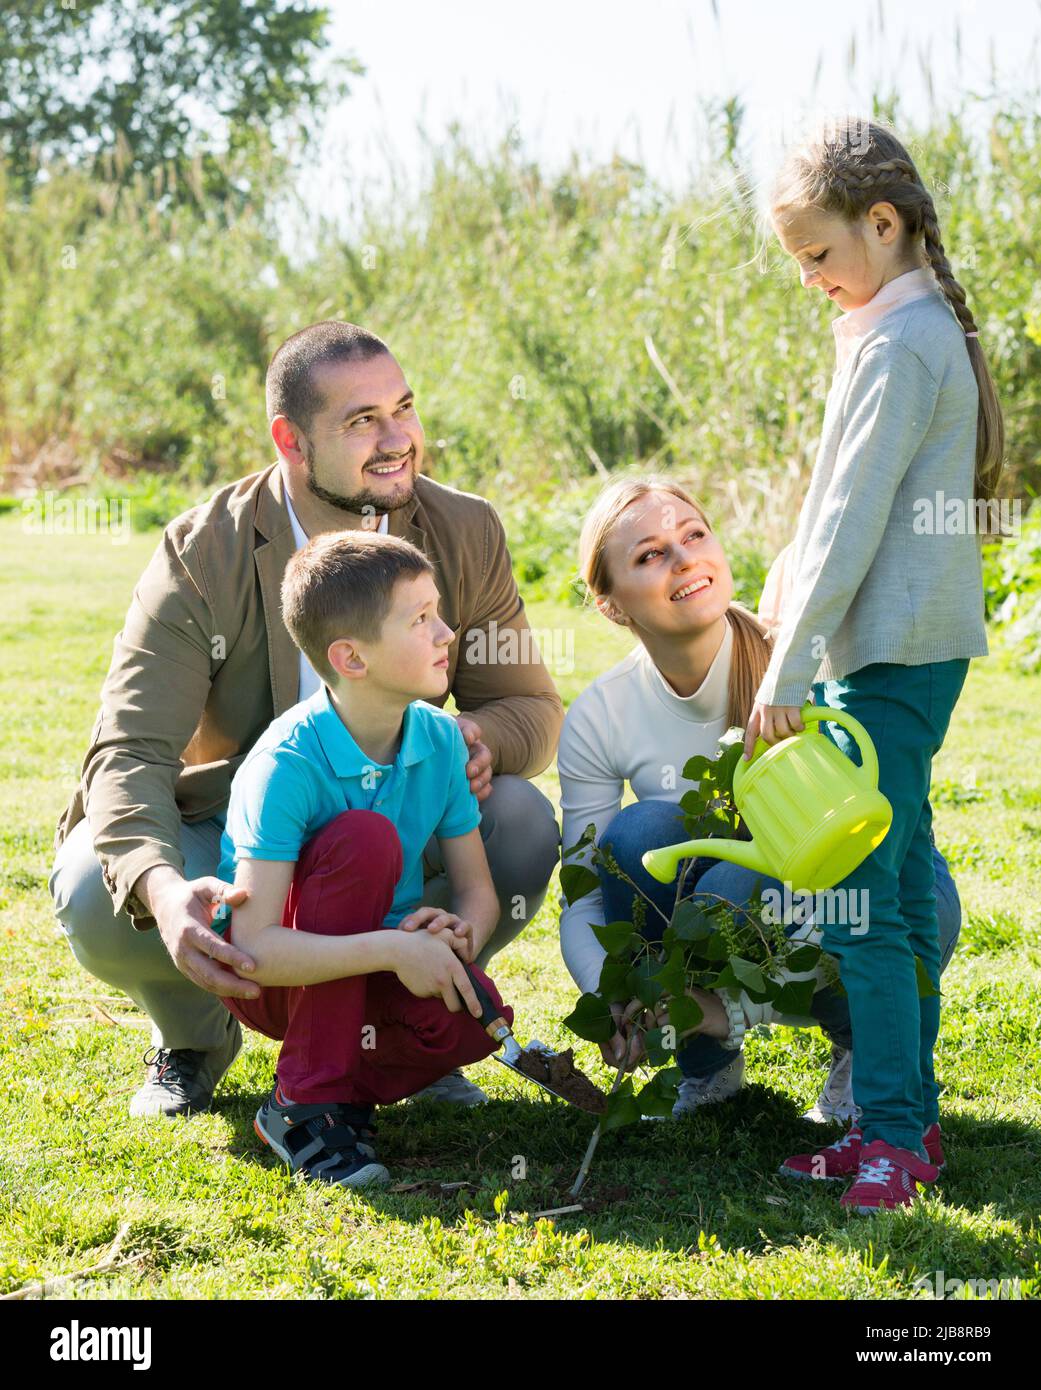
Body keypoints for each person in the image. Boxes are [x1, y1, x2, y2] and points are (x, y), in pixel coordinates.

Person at [48, 321, 562, 1119]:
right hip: (234, 829)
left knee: (522, 819)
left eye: (404, 409)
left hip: (396, 811)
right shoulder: (201, 550)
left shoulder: (465, 528)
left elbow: (527, 705)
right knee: (95, 882)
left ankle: (404, 1025)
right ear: (290, 439)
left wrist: (478, 738)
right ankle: (192, 1036)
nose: (398, 441)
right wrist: (160, 887)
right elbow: (129, 750)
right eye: (361, 421)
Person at [746, 117, 1003, 1212]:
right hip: (901, 652)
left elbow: (851, 521)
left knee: (865, 904)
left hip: (887, 659)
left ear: (882, 224)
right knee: (891, 884)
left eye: (818, 252)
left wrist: (786, 668)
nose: (808, 276)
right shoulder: (897, 326)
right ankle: (910, 1123)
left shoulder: (899, 343)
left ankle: (891, 1132)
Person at [557, 475, 963, 1119]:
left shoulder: (794, 668)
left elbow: (871, 846)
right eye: (649, 554)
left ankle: (861, 1044)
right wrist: (606, 996)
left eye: (693, 535)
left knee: (739, 886)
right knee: (635, 838)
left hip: (851, 893)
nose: (684, 558)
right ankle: (707, 1065)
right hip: (731, 912)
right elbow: (584, 886)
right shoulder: (599, 714)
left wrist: (736, 1004)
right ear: (611, 605)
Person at [209, 528, 512, 1188]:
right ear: (350, 658)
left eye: (438, 612)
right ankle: (302, 1105)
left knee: (477, 1022)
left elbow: (477, 893)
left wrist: (459, 935)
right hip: (275, 978)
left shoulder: (440, 739)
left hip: (363, 967)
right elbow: (254, 948)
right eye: (420, 620)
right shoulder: (286, 763)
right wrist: (391, 950)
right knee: (366, 839)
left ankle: (338, 1090)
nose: (446, 633)